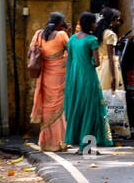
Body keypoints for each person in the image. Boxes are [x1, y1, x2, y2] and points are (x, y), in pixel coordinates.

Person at [64, 11, 114, 151]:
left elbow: (71, 59)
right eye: (94, 22)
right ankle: (86, 147)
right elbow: (96, 62)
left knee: (78, 109)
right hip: (88, 78)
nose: (96, 24)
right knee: (90, 110)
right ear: (89, 24)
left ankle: (81, 146)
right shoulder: (92, 40)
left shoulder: (72, 39)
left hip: (74, 79)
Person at [29, 12, 69, 151]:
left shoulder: (38, 34)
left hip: (44, 75)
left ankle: (46, 142)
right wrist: (68, 32)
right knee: (58, 108)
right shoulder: (61, 35)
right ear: (59, 24)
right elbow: (72, 50)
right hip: (59, 75)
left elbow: (31, 53)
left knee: (46, 105)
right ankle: (58, 142)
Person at [94, 7, 124, 93]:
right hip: (108, 67)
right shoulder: (110, 34)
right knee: (110, 93)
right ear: (111, 21)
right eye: (117, 20)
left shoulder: (99, 33)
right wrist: (113, 77)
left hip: (99, 67)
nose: (118, 23)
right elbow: (110, 56)